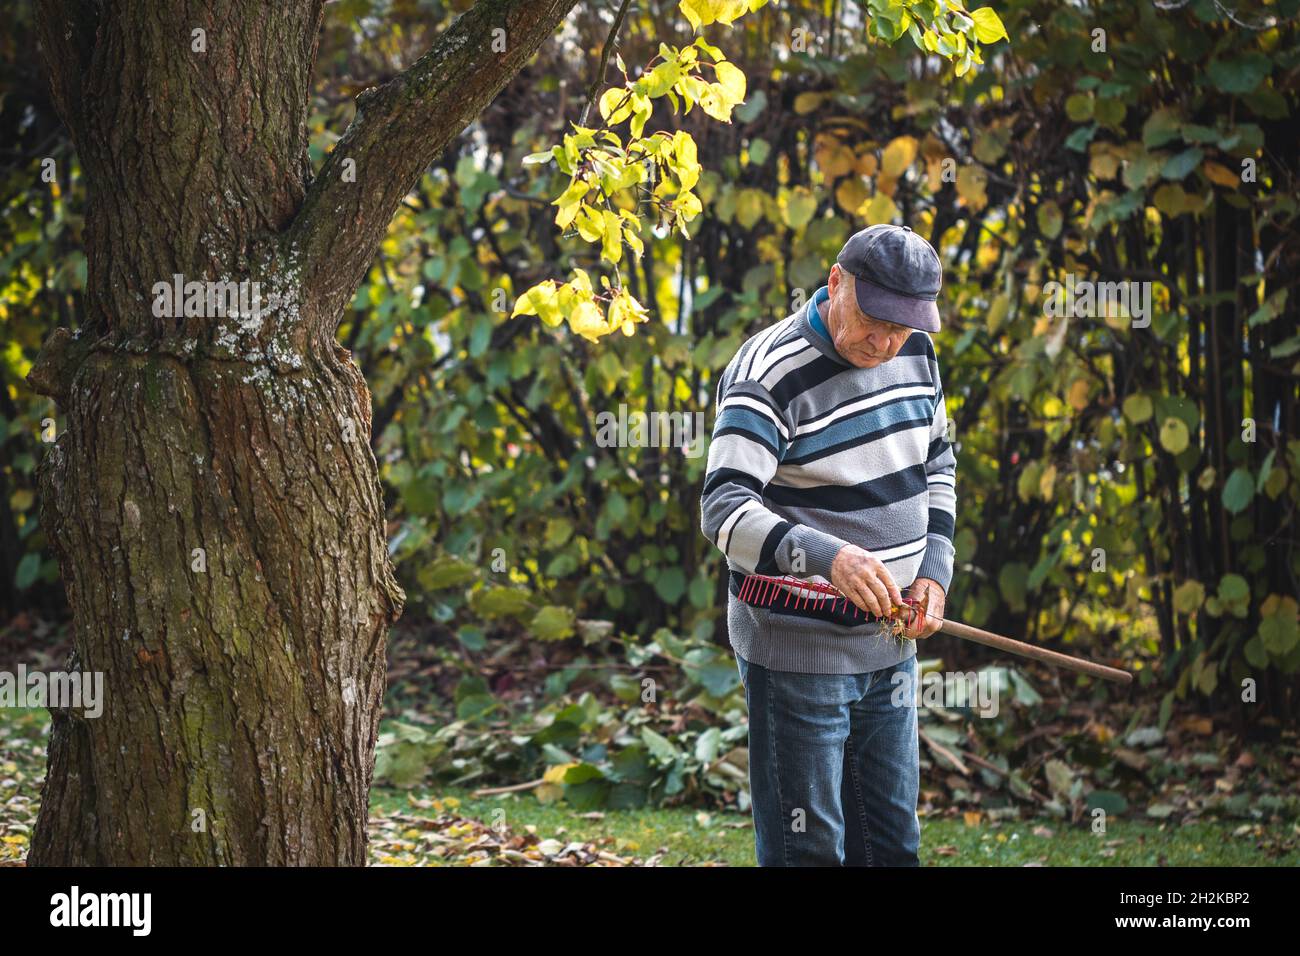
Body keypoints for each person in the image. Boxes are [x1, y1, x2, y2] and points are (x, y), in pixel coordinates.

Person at [699, 223, 957, 866]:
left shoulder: (916, 352)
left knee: (891, 844)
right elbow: (724, 511)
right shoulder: (770, 372)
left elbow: (940, 463)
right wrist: (829, 557)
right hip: (797, 652)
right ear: (834, 283)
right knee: (808, 849)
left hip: (889, 644)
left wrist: (933, 568)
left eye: (902, 325)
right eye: (874, 319)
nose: (886, 341)